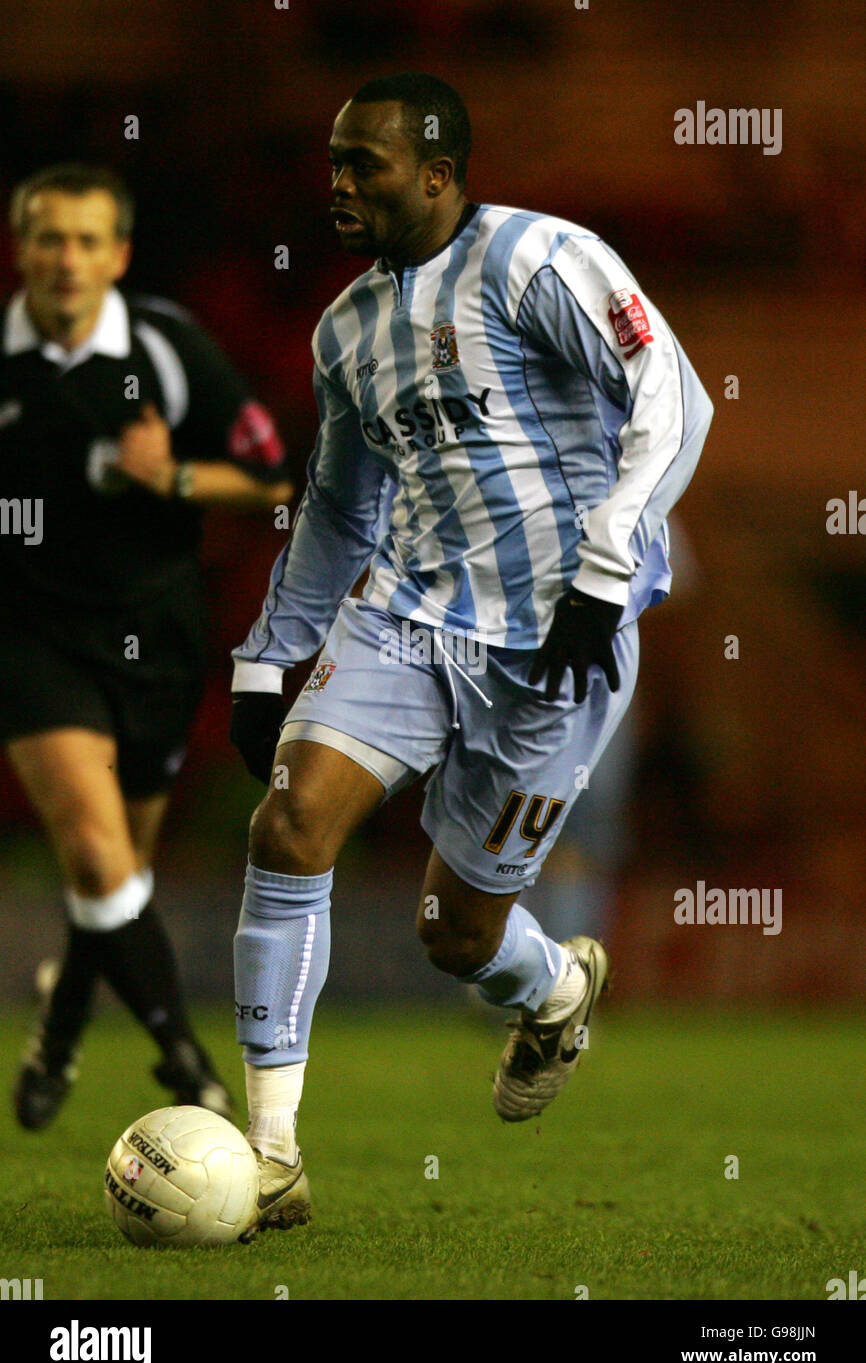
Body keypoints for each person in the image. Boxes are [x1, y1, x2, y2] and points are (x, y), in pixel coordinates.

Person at [228, 74, 713, 1237]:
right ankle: (271, 1155)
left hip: (552, 646)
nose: (338, 185)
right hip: (402, 615)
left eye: (365, 166)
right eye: (334, 163)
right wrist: (267, 654)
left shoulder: (539, 262)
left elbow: (673, 396)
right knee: (288, 825)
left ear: (438, 176)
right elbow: (338, 507)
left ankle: (552, 988)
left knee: (457, 937)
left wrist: (605, 571)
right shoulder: (344, 328)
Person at [1, 163, 293, 1129]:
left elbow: (274, 483)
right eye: (48, 237)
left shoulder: (167, 348)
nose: (67, 258)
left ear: (119, 254)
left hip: (157, 642)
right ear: (22, 249)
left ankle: (57, 1036)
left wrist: (172, 479)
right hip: (33, 640)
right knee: (93, 851)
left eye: (88, 240)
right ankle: (190, 1069)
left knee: (118, 874)